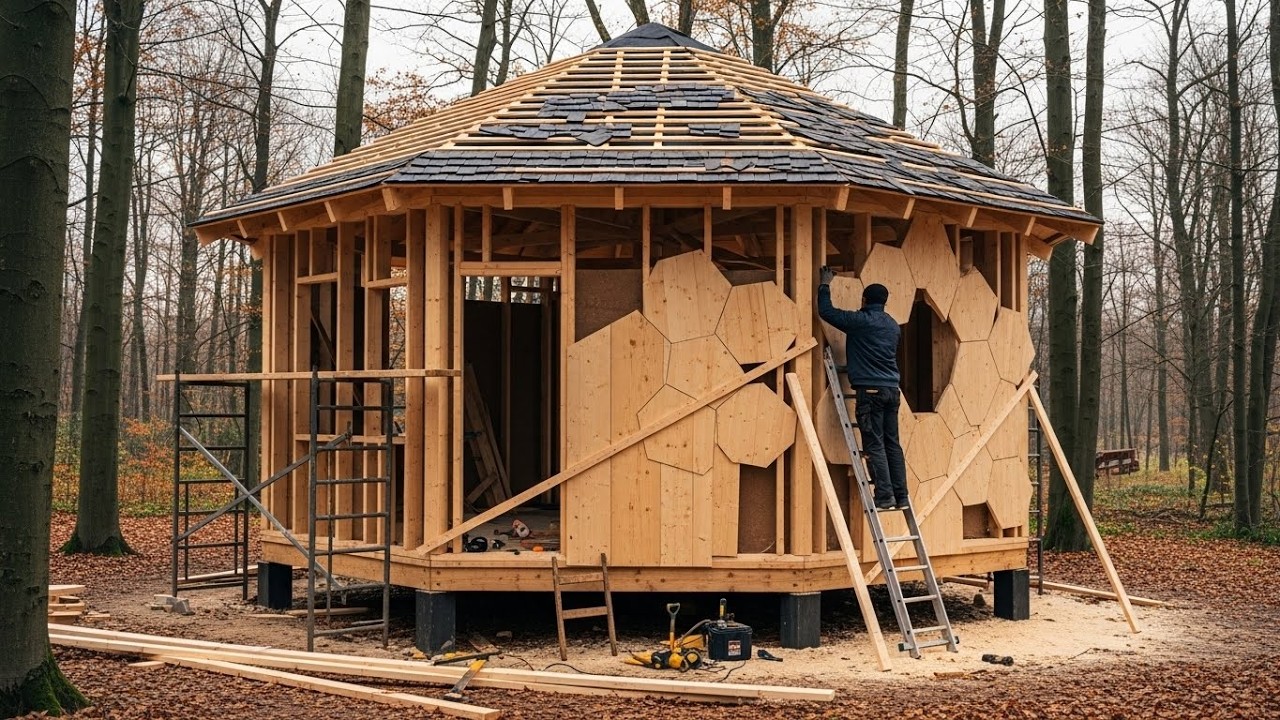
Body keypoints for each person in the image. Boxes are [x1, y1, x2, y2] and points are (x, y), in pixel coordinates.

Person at [816, 268, 909, 511]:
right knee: (892, 444)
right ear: (884, 303)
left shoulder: (861, 322)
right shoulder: (892, 326)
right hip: (892, 390)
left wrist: (825, 285)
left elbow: (827, 312)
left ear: (864, 300)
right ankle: (901, 495)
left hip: (871, 393)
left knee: (874, 444)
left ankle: (884, 496)